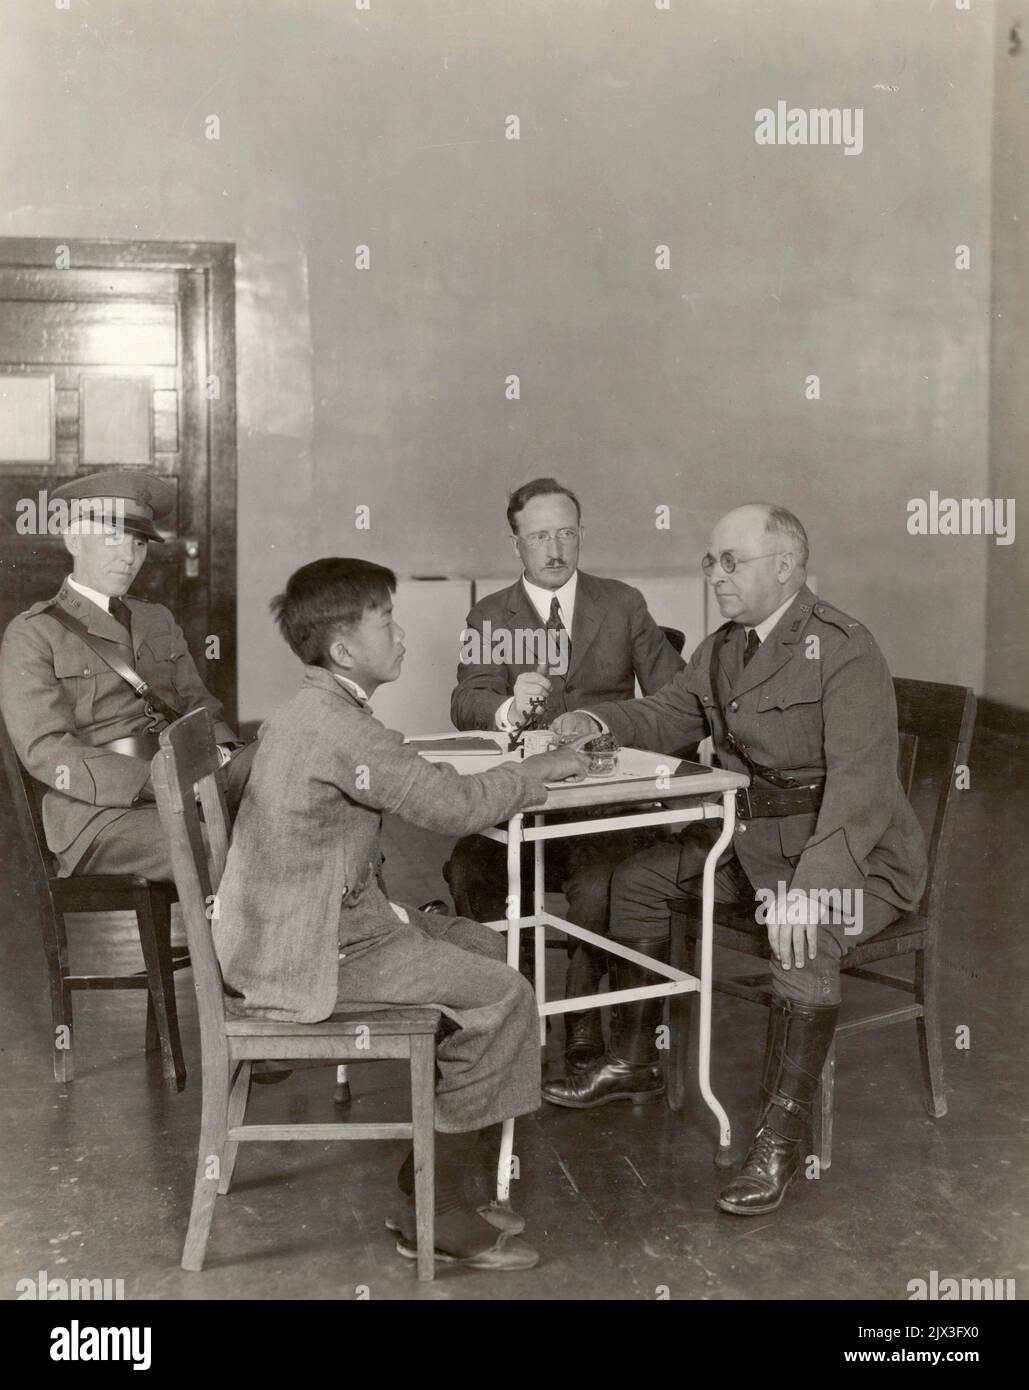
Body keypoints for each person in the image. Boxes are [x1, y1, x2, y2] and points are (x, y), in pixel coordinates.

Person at [545, 504, 927, 1218]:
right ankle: (634, 1061)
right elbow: (666, 714)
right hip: (751, 847)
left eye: (732, 562)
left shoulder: (844, 648)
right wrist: (598, 720)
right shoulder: (723, 648)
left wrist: (808, 894)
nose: (716, 575)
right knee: (636, 882)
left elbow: (860, 791)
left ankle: (780, 1140)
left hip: (852, 856)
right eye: (710, 561)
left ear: (783, 567)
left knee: (803, 936)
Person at [212, 557, 590, 1270]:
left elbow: (415, 781)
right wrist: (532, 775)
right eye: (386, 620)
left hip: (307, 925)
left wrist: (502, 777)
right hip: (312, 952)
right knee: (506, 994)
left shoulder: (314, 710)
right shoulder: (340, 728)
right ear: (344, 649)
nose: (402, 633)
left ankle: (430, 1177)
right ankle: (436, 1207)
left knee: (478, 944)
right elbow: (447, 806)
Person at [446, 477, 685, 1073]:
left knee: (600, 873)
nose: (555, 549)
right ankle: (511, 1006)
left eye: (567, 534)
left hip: (607, 808)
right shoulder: (490, 613)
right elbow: (466, 699)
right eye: (540, 536)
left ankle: (582, 1016)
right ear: (516, 546)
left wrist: (612, 729)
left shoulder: (622, 603)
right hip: (524, 805)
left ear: (581, 536)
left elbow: (679, 699)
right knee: (471, 868)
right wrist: (506, 706)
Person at [0, 470, 240, 881]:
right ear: (74, 541)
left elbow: (199, 705)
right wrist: (155, 781)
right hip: (100, 813)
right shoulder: (34, 632)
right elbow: (46, 748)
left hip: (186, 783)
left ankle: (349, 935)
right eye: (112, 537)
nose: (128, 556)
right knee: (215, 846)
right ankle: (237, 946)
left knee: (294, 790)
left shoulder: (156, 618)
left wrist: (225, 754)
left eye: (139, 543)